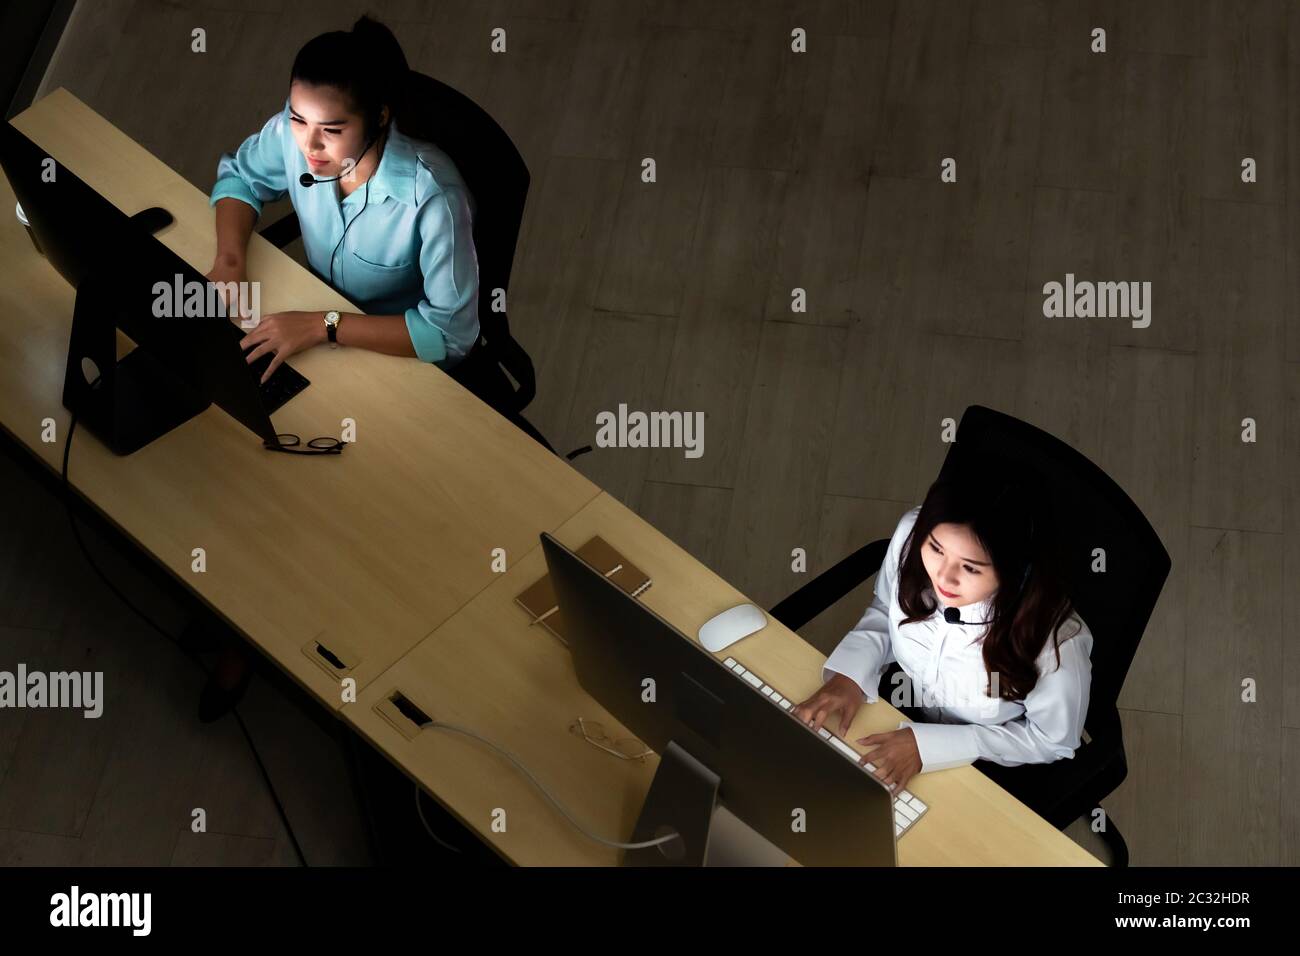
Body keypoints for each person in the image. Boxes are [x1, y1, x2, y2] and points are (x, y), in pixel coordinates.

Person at [196, 15, 481, 720]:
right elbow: (238, 175)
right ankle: (234, 603)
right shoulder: (299, 136)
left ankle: (281, 630)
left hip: (400, 362)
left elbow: (452, 334)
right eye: (298, 121)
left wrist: (324, 327)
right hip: (316, 330)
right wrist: (231, 255)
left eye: (332, 130)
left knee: (319, 499)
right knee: (239, 444)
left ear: (379, 118)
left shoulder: (432, 198)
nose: (309, 147)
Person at [792, 472, 1093, 795]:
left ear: (1015, 571)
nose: (943, 578)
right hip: (902, 703)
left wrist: (927, 747)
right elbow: (886, 609)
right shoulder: (913, 534)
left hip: (992, 753)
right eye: (936, 549)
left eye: (971, 568)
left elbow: (1052, 741)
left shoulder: (1054, 645)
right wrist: (849, 676)